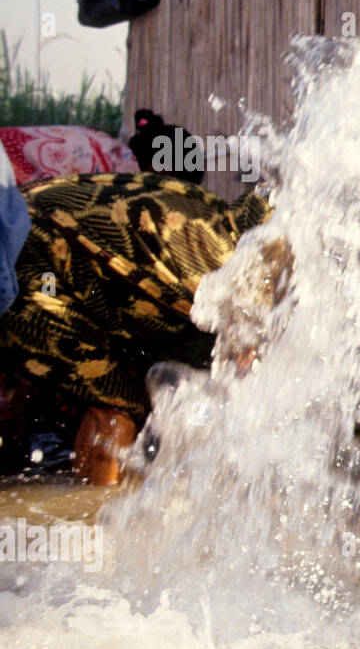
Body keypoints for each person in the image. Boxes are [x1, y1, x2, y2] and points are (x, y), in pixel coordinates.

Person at [0, 165, 269, 484]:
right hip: (202, 235)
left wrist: (91, 522)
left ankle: (99, 525)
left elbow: (114, 415)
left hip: (201, 274)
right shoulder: (20, 211)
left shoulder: (27, 306)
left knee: (113, 408)